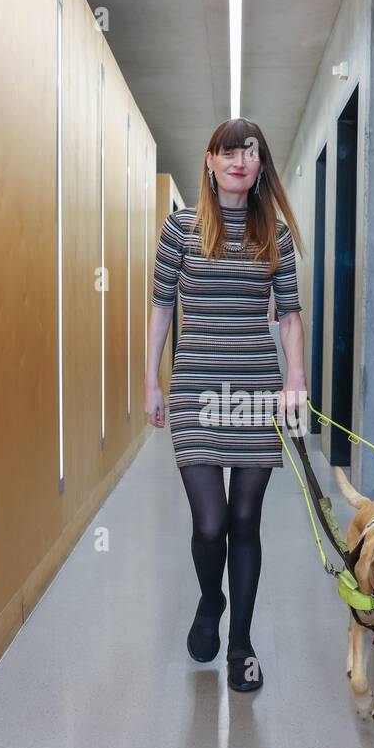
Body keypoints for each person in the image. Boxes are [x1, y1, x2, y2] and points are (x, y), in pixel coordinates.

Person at [144, 118, 307, 693]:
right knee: (210, 524)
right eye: (228, 150)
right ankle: (210, 600)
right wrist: (150, 382)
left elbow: (288, 315)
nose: (239, 159)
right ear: (210, 160)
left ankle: (241, 645)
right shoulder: (180, 230)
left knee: (245, 521)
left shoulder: (276, 237)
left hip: (253, 395)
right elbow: (163, 307)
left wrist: (295, 380)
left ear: (261, 166)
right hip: (194, 390)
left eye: (251, 151)